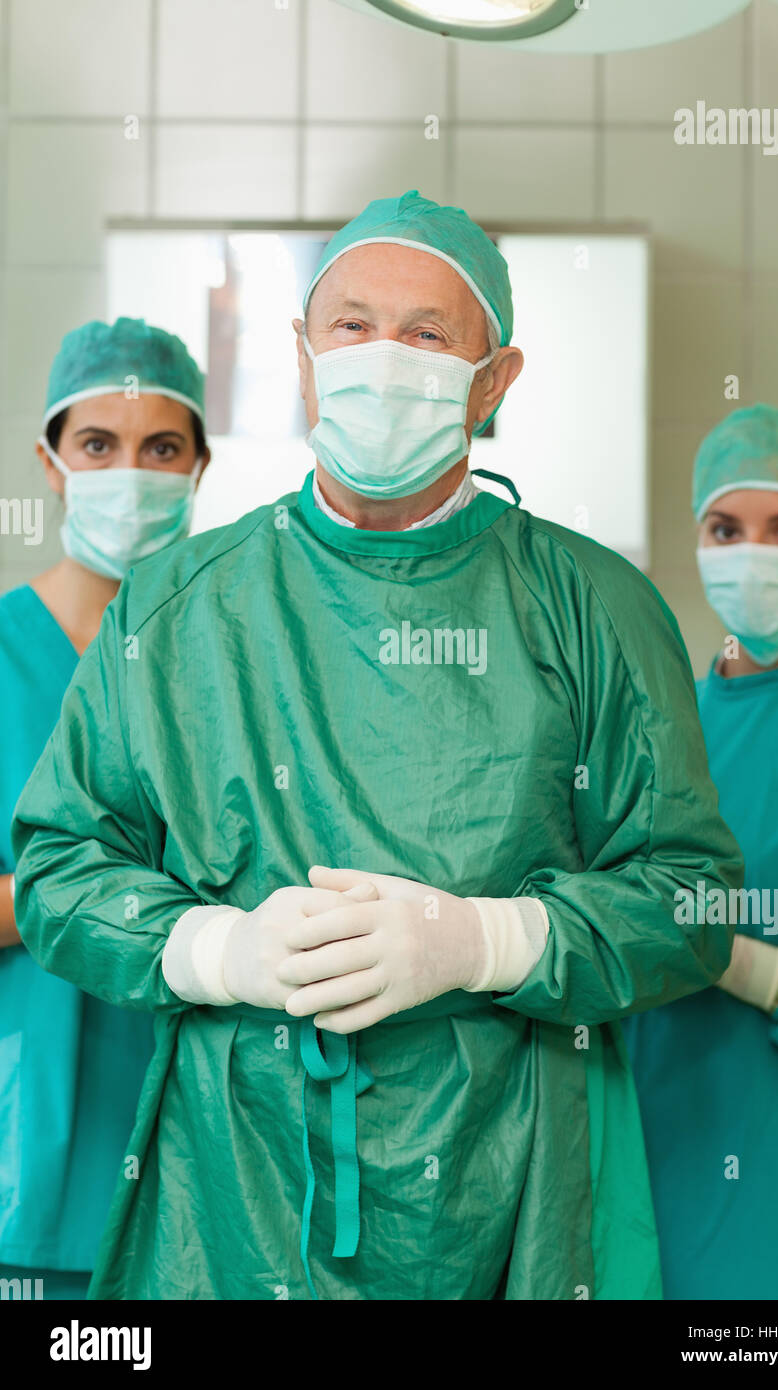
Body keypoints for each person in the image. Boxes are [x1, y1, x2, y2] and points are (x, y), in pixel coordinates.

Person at [12, 192, 741, 1302]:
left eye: (427, 334)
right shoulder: (175, 606)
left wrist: (489, 941)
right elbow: (62, 870)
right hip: (231, 1181)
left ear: (493, 381)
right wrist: (217, 950)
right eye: (350, 327)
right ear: (302, 361)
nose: (381, 360)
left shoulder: (592, 606)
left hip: (502, 1180)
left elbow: (690, 901)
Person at [625, 403, 778, 1300]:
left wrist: (756, 970)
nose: (751, 553)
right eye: (727, 528)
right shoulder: (656, 722)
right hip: (654, 1144)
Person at [0, 317, 209, 1299]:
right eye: (98, 445)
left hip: (205, 1151)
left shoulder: (228, 664)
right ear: (50, 461)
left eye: (161, 447)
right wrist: (103, 902)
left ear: (201, 462)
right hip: (27, 1152)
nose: (131, 473)